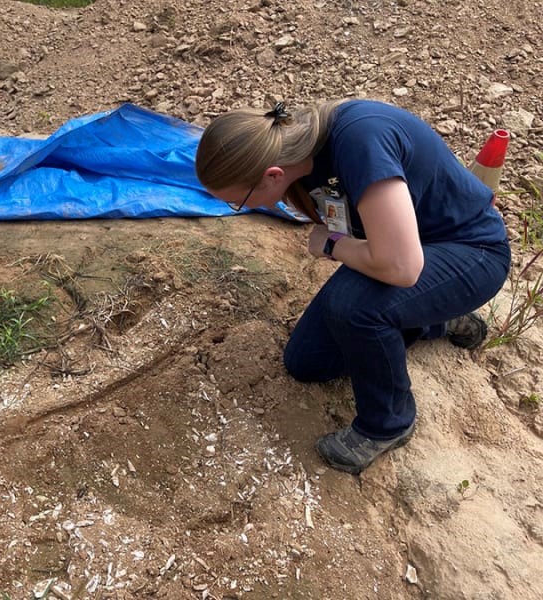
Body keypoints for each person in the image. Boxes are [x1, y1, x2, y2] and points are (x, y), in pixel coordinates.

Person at [195, 99, 510, 474]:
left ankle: (388, 423)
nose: (240, 208)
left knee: (353, 306)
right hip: (411, 249)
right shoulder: (305, 161)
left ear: (272, 175)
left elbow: (402, 267)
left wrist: (331, 244)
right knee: (306, 362)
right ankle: (434, 317)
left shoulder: (360, 142)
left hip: (472, 253)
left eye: (238, 202)